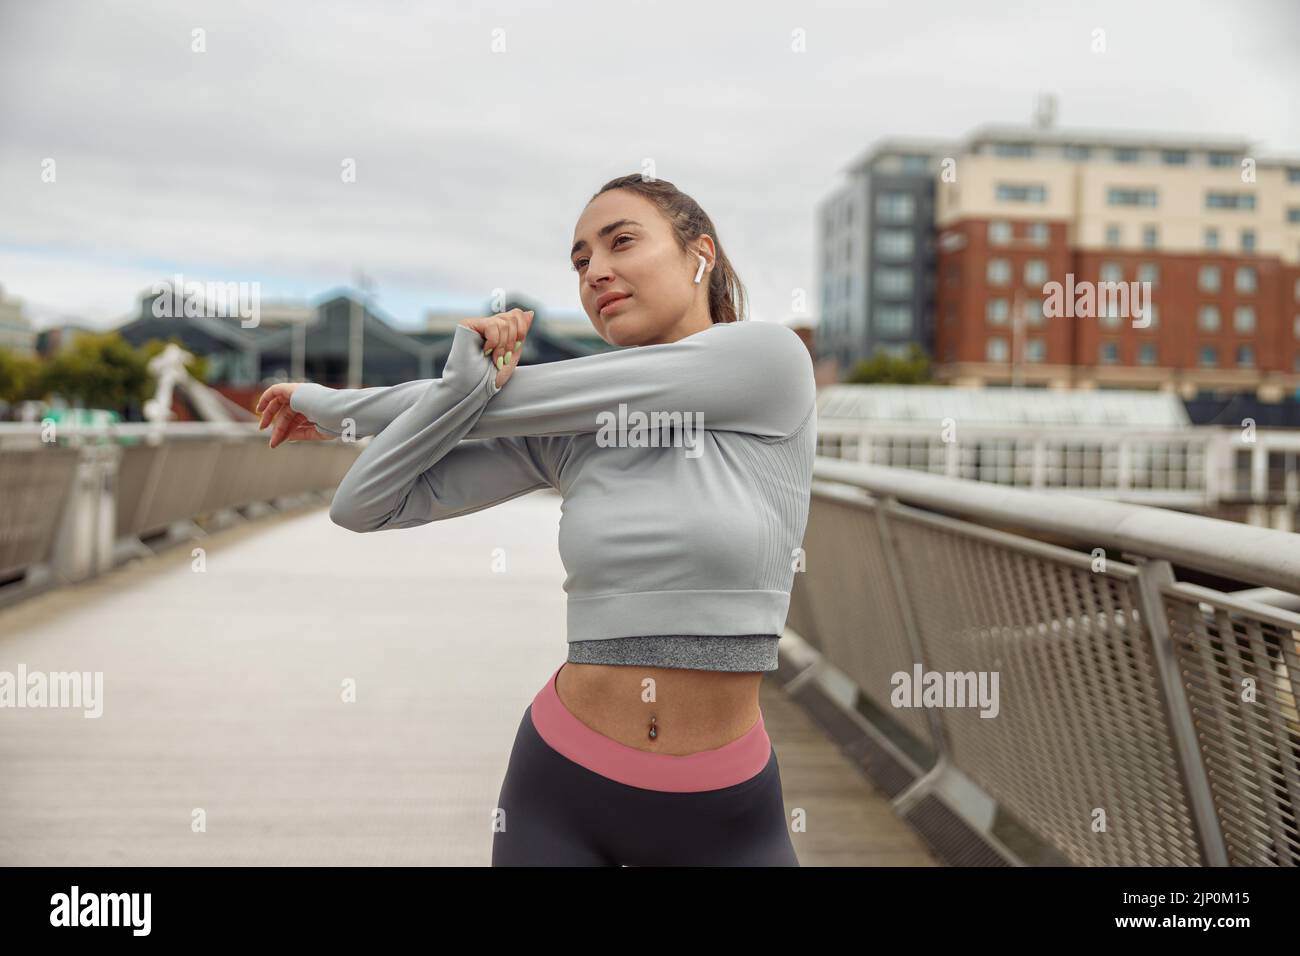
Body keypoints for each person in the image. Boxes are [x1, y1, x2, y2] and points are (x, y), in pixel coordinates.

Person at [255, 174, 815, 866]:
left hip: (727, 811)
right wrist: (461, 389)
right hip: (562, 790)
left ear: (700, 254)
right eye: (580, 261)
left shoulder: (769, 363)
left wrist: (341, 407)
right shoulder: (574, 433)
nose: (596, 271)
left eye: (621, 242)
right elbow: (363, 505)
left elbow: (519, 398)